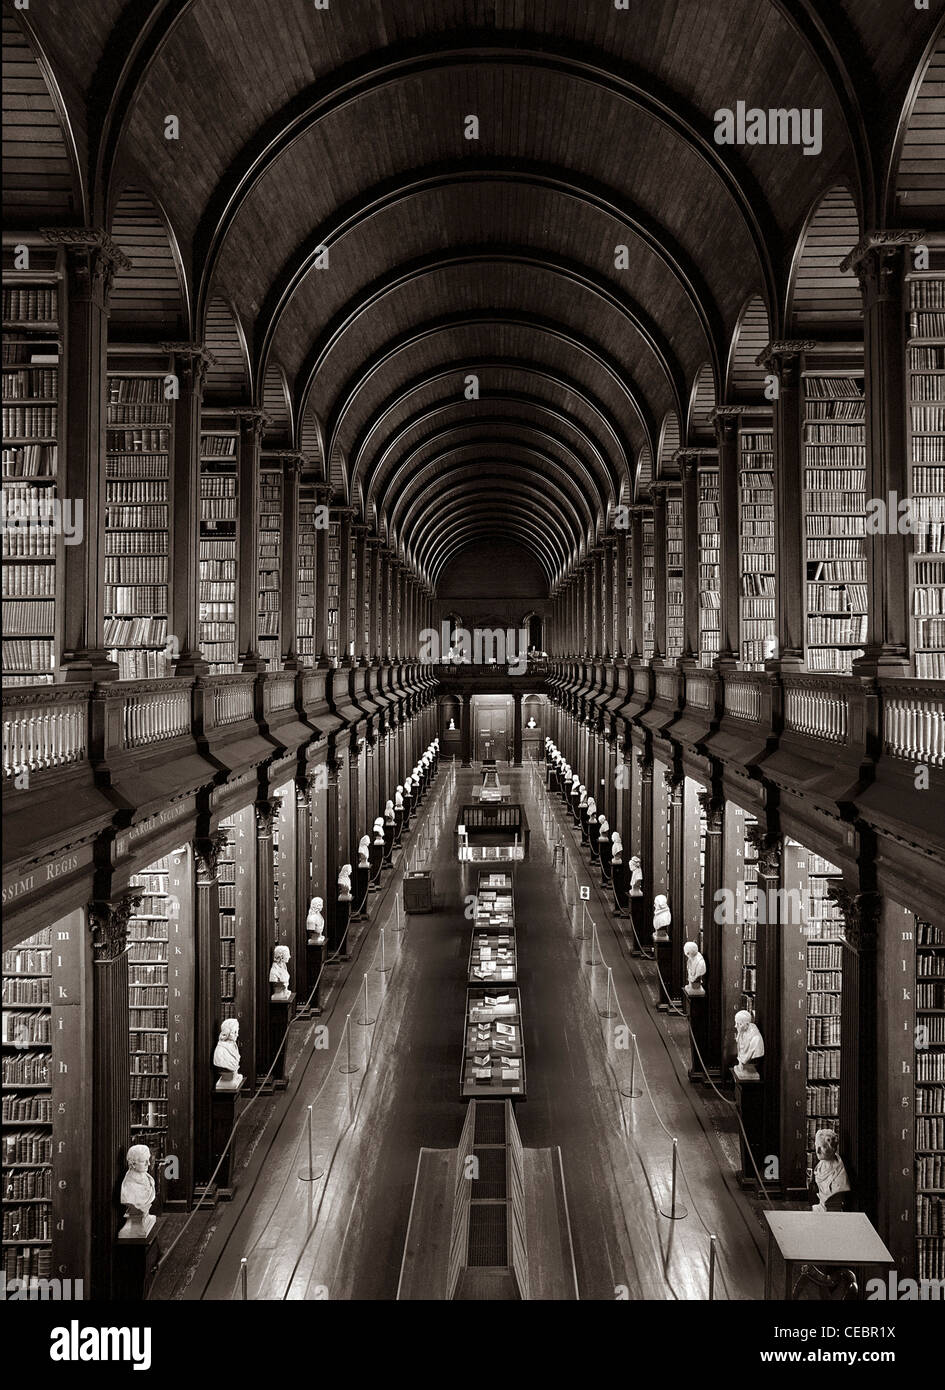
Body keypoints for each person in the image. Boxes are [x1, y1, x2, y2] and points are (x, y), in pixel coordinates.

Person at [119, 1144, 156, 1238]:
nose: (148, 1164)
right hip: (135, 1224)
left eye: (148, 1159)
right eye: (144, 1161)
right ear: (133, 1164)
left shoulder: (148, 1178)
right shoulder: (129, 1186)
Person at [809, 1129, 851, 1212]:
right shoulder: (819, 1166)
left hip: (833, 1208)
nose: (817, 1151)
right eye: (817, 1146)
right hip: (822, 1207)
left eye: (822, 1147)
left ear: (833, 1148)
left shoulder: (840, 1171)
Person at [734, 1009, 764, 1080]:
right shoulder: (741, 1031)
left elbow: (749, 1054)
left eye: (739, 1024)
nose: (735, 1026)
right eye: (736, 1023)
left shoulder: (755, 1039)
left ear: (747, 1024)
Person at [213, 1018, 243, 1088]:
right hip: (227, 1080)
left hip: (233, 1076)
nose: (237, 1035)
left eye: (237, 1031)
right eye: (234, 1032)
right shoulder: (220, 1051)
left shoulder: (233, 1045)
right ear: (227, 1033)